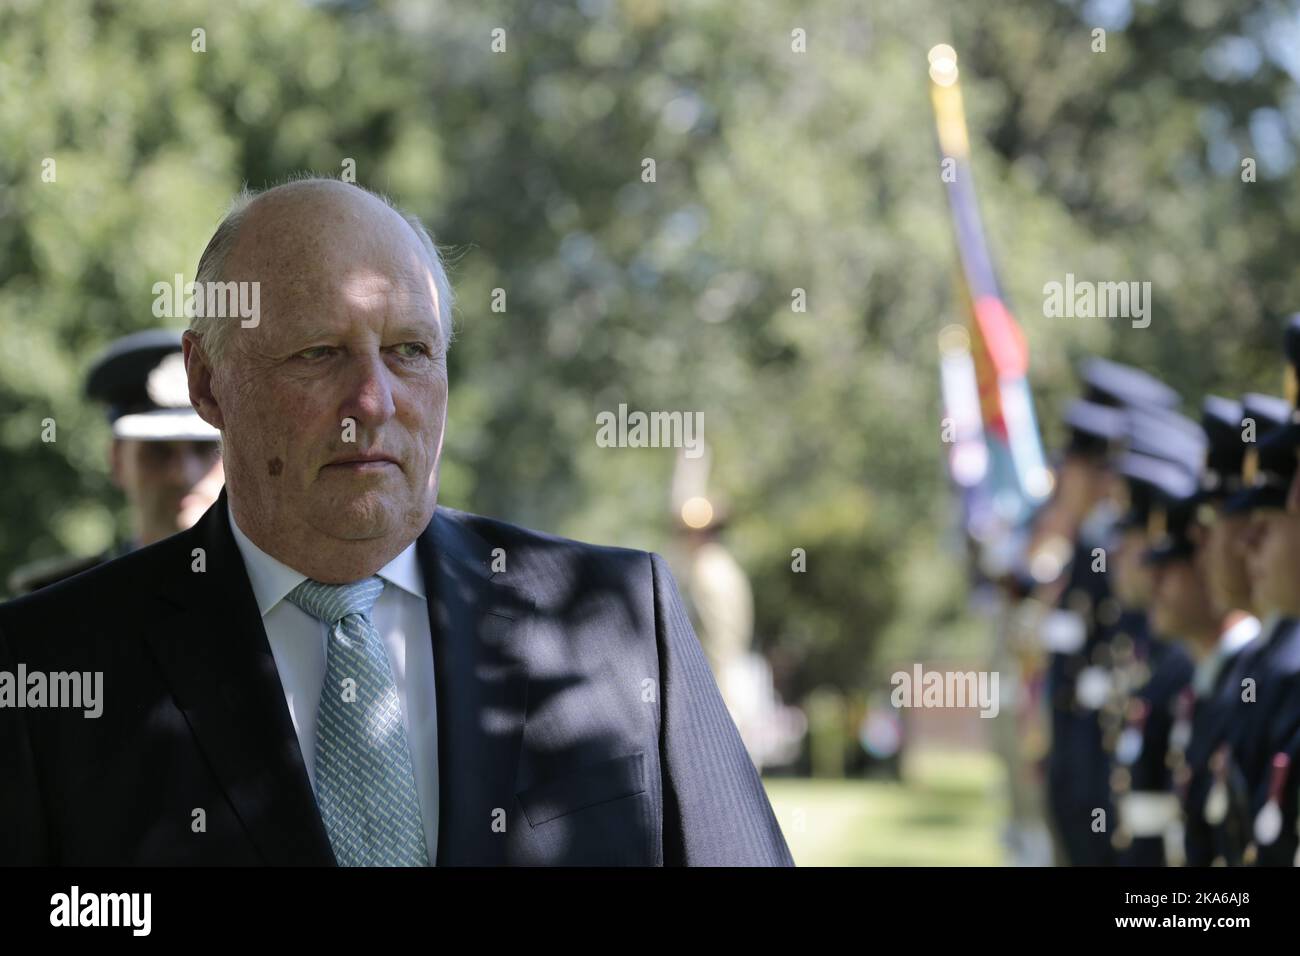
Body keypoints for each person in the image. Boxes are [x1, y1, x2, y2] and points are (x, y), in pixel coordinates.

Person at [0, 177, 793, 867]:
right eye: (318, 353)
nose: (373, 403)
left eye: (410, 351)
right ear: (209, 384)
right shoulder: (50, 669)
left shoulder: (618, 620)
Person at [6, 330, 224, 594]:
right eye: (158, 452)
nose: (182, 474)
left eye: (205, 449)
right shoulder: (63, 604)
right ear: (117, 461)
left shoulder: (274, 589)